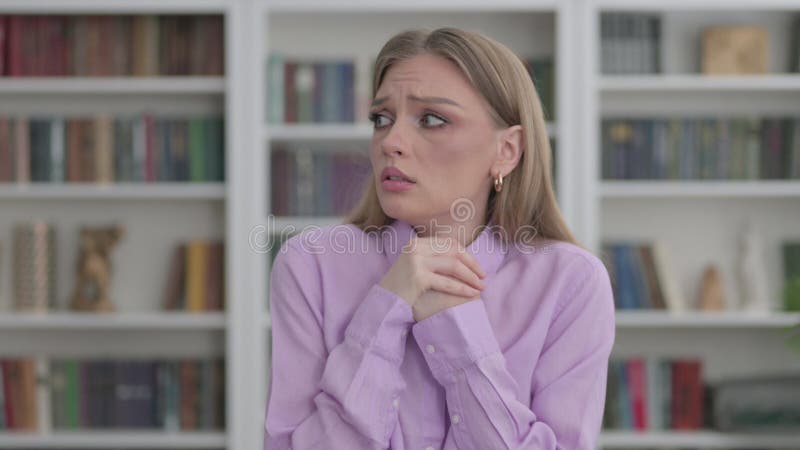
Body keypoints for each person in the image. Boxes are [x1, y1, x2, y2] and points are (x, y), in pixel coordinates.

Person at [263, 27, 615, 450]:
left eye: (432, 119)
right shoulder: (308, 266)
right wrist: (385, 308)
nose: (390, 142)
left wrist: (458, 331)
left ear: (507, 150)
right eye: (381, 119)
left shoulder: (571, 283)